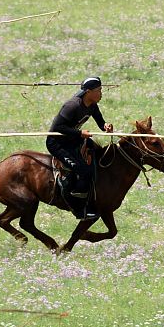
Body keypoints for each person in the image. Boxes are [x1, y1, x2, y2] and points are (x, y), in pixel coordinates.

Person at [47, 77, 114, 221]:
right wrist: (79, 133)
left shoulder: (93, 105)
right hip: (58, 143)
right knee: (84, 171)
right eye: (99, 90)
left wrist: (105, 126)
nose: (101, 93)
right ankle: (77, 206)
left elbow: (100, 122)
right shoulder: (72, 106)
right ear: (88, 92)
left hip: (73, 140)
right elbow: (58, 128)